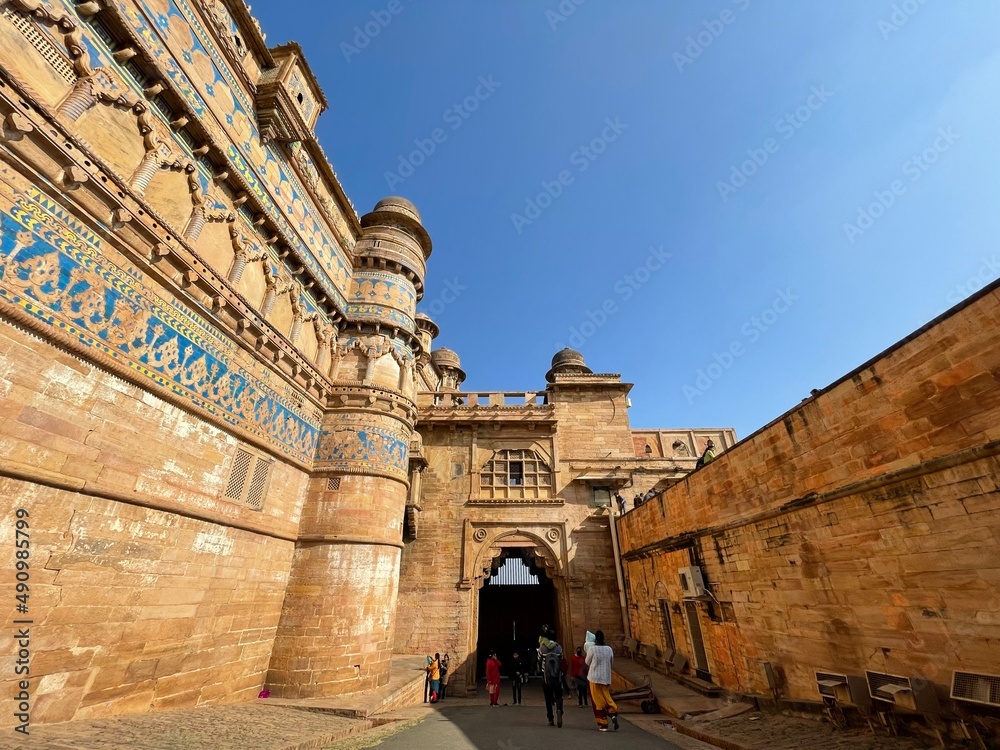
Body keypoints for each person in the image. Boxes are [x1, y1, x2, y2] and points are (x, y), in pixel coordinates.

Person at [585, 630, 619, 732]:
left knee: (597, 701)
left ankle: (603, 724)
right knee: (606, 697)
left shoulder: (592, 649)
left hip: (594, 678)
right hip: (606, 678)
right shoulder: (609, 649)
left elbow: (587, 662)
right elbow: (611, 662)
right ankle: (612, 712)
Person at [537, 625, 564, 728]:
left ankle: (550, 719)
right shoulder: (558, 647)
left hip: (546, 677)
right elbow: (561, 659)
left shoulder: (542, 648)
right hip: (557, 676)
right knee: (558, 695)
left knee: (548, 699)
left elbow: (539, 660)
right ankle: (559, 709)